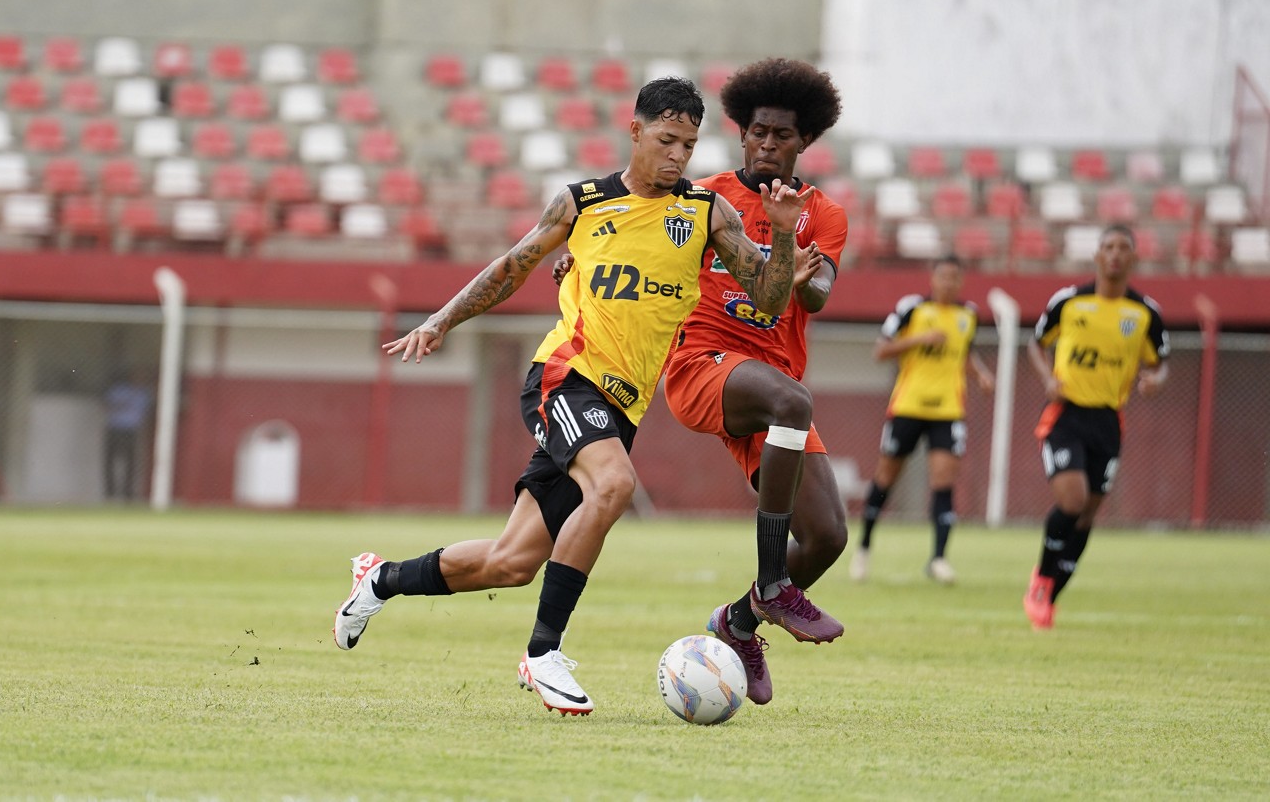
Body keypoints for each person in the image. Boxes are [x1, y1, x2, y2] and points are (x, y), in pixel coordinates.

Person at [332, 76, 813, 717]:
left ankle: (380, 580)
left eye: (689, 145)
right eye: (666, 140)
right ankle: (543, 652)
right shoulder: (583, 202)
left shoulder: (705, 213)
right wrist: (440, 320)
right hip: (565, 376)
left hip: (621, 406)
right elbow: (511, 268)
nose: (677, 156)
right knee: (613, 486)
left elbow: (772, 301)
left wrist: (781, 234)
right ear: (635, 130)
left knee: (511, 562)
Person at [655, 58, 851, 705]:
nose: (768, 144)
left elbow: (817, 294)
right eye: (758, 132)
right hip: (702, 363)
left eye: (783, 136)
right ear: (742, 134)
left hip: (769, 386)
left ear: (804, 143)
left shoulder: (820, 214)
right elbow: (643, 240)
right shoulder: (705, 197)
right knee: (793, 400)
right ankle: (772, 584)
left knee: (826, 537)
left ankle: (737, 623)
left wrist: (792, 239)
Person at [1023, 224, 1168, 630]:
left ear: (1134, 258)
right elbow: (1036, 342)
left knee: (1086, 517)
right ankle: (1040, 583)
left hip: (1108, 420)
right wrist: (1048, 376)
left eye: (1124, 247)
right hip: (1066, 415)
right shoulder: (1069, 302)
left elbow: (1160, 361)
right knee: (1071, 501)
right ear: (1097, 256)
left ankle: (1051, 596)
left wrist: (1156, 379)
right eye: (1108, 247)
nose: (1115, 254)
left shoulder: (1144, 313)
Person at [850, 255, 995, 585]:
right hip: (908, 406)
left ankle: (939, 558)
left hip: (948, 410)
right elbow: (880, 351)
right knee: (886, 478)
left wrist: (982, 374)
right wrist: (919, 339)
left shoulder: (967, 314)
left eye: (955, 278)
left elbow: (965, 354)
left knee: (944, 482)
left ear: (961, 281)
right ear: (933, 277)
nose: (949, 283)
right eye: (943, 276)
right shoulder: (912, 309)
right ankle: (864, 548)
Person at [104, 367, 154, 500]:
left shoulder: (144, 394)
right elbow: (108, 406)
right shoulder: (119, 390)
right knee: (111, 460)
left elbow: (146, 412)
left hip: (132, 430)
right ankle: (110, 492)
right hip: (115, 428)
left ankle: (128, 493)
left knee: (131, 462)